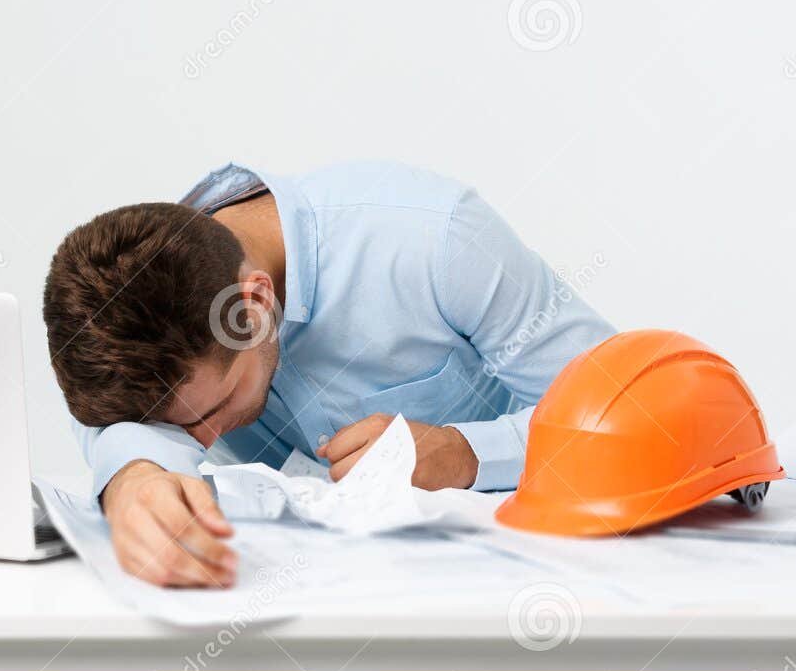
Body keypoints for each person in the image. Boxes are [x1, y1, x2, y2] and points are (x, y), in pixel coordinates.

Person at [43, 161, 613, 587]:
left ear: (255, 304)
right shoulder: (142, 303)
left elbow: (623, 407)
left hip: (516, 592)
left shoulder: (437, 241)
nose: (203, 444)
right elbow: (107, 420)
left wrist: (467, 453)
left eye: (212, 413)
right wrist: (135, 476)